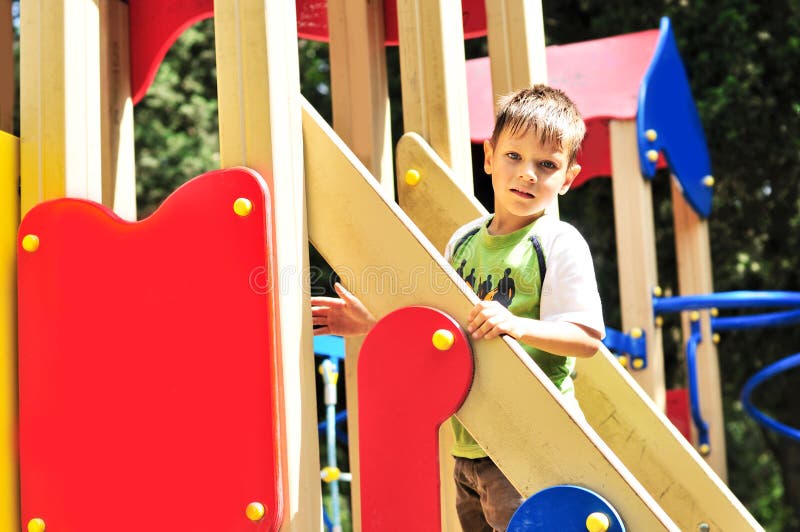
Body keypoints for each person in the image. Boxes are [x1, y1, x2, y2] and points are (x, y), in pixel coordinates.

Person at [311, 84, 604, 531]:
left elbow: (585, 339)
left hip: (531, 443)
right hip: (468, 447)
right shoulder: (463, 241)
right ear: (488, 157)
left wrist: (516, 326)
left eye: (546, 165)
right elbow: (444, 337)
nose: (527, 174)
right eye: (514, 157)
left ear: (567, 178)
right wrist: (370, 325)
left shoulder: (558, 243)